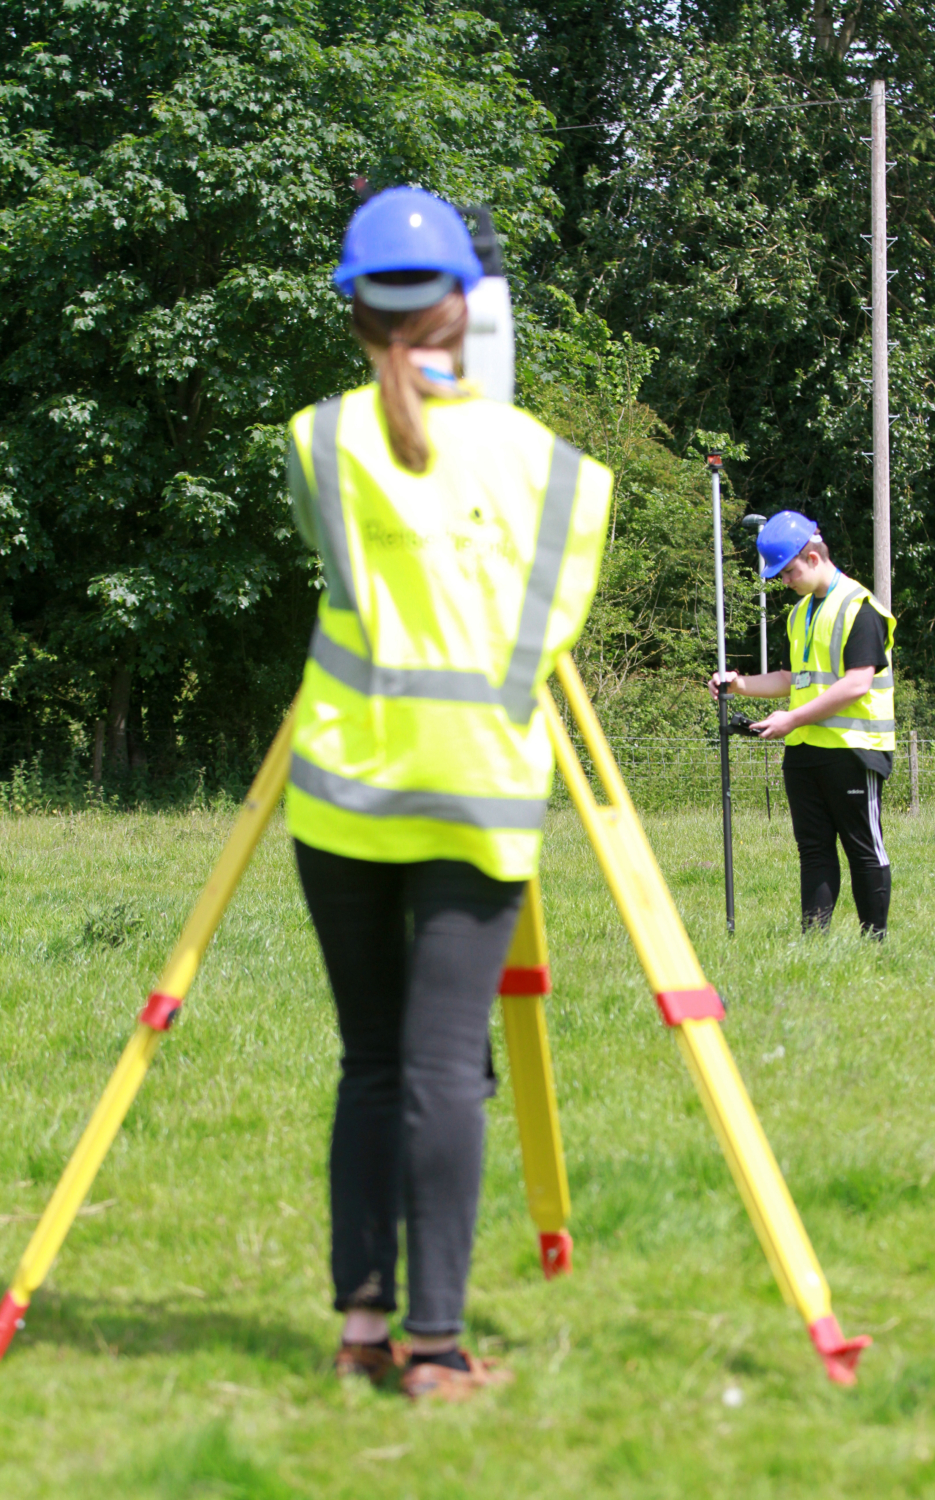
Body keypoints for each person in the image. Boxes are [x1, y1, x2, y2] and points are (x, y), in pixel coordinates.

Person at [284, 187, 612, 1400]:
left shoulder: (316, 443)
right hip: (475, 797)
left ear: (354, 313)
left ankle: (363, 1328)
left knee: (372, 1064)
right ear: (464, 307)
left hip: (341, 796)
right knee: (437, 1072)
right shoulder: (551, 470)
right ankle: (434, 1348)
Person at [709, 510, 895, 936]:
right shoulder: (800, 615)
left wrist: (791, 718)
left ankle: (875, 942)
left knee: (863, 849)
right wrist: (738, 685)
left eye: (789, 572)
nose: (784, 581)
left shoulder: (859, 607)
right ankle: (814, 944)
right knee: (813, 851)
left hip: (854, 750)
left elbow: (856, 684)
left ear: (813, 557)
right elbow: (794, 679)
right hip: (806, 752)